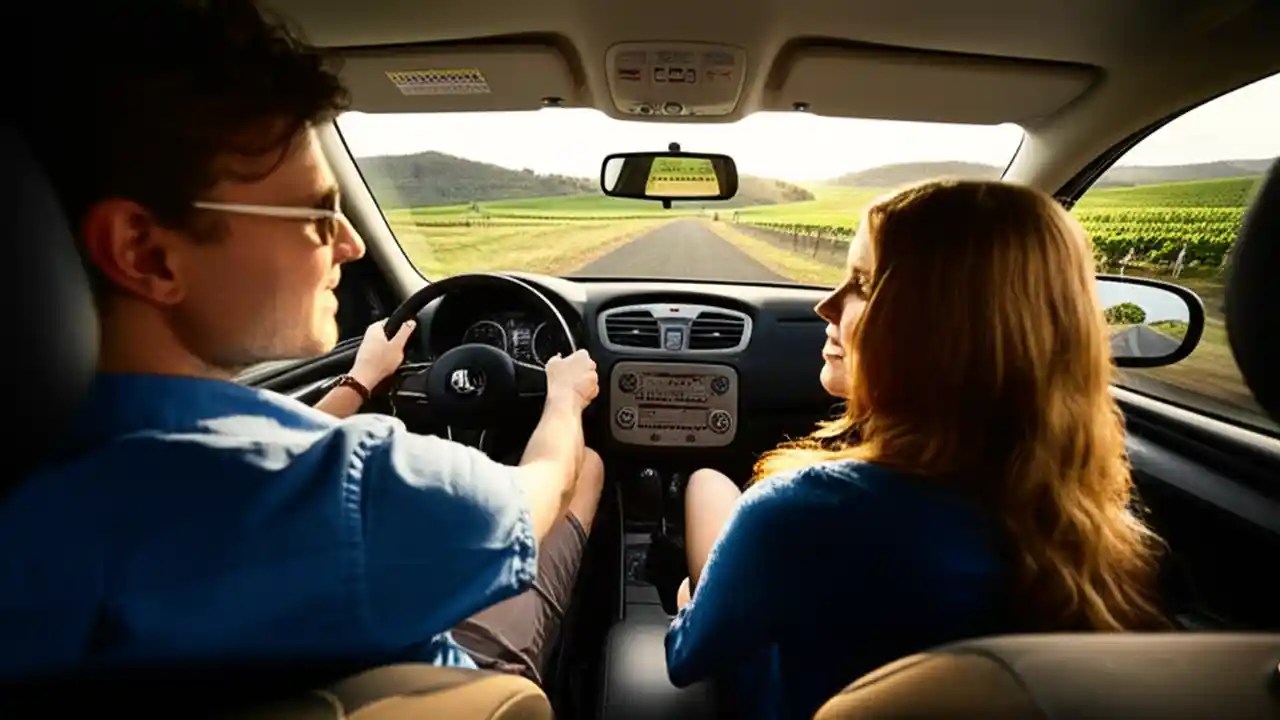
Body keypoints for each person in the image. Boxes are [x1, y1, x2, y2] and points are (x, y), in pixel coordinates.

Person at [0, 0, 602, 692]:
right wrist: (562, 400)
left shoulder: (43, 478)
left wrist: (357, 381)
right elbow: (536, 493)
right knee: (583, 475)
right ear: (147, 254)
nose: (348, 243)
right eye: (318, 214)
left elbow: (238, 451)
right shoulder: (359, 495)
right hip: (444, 689)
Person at [664, 179, 1171, 719]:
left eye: (861, 283)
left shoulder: (799, 513)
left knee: (707, 483)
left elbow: (686, 655)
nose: (825, 305)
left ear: (936, 325)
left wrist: (689, 596)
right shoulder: (1100, 533)